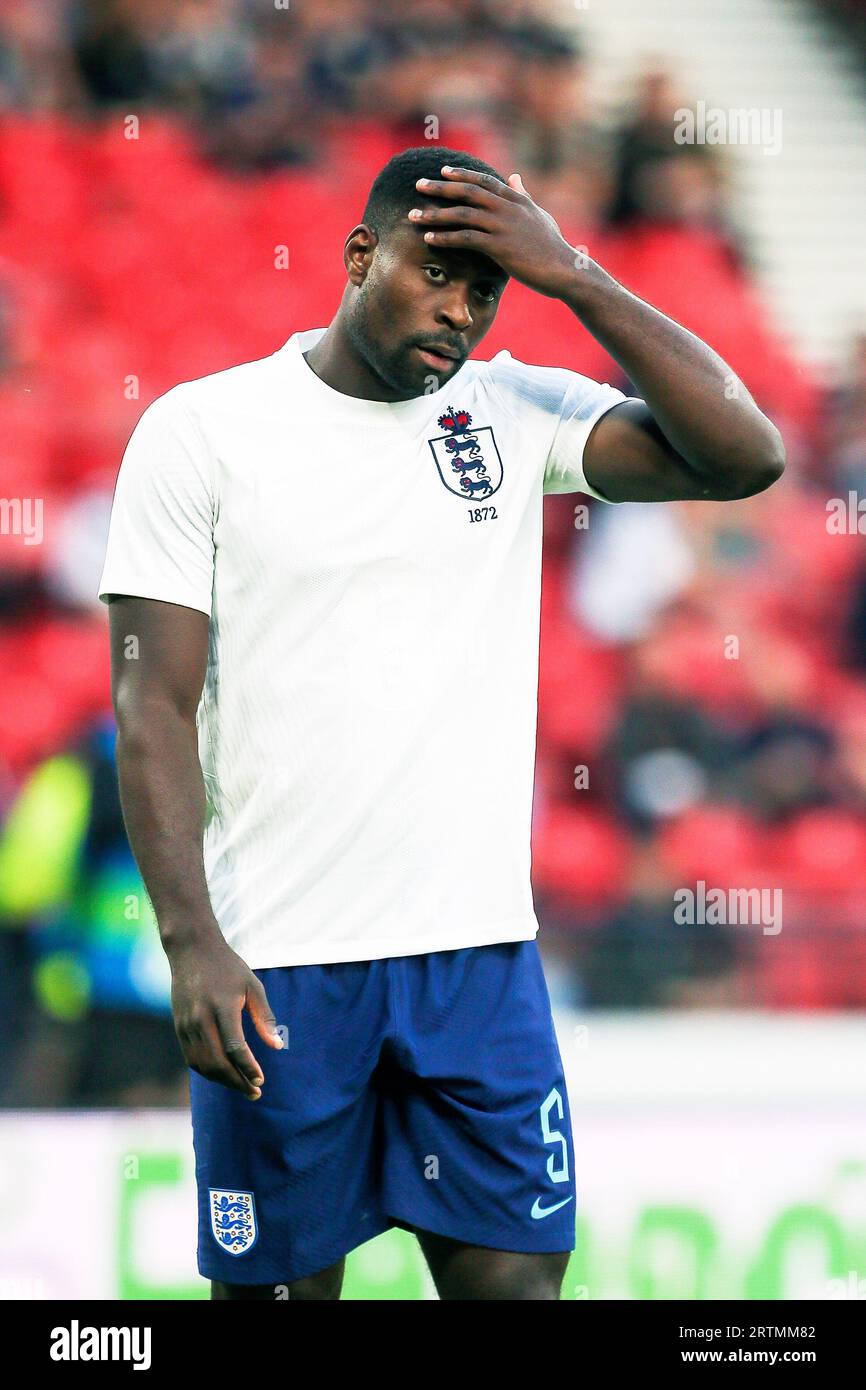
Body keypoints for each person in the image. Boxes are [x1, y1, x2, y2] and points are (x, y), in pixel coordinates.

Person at [98, 144, 784, 1301]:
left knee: (517, 1286)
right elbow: (149, 701)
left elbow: (744, 456)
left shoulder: (511, 411)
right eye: (434, 275)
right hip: (281, 967)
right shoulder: (202, 431)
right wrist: (191, 942)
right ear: (360, 255)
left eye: (485, 288)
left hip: (476, 961)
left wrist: (574, 277)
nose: (458, 310)